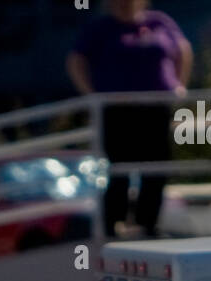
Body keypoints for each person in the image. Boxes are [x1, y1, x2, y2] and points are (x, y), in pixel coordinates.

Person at [67, 0, 192, 238]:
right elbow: (76, 60)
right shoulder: (100, 28)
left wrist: (179, 85)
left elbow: (183, 49)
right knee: (118, 168)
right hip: (118, 111)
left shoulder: (160, 22)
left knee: (156, 167)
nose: (124, 4)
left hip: (155, 109)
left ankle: (148, 223)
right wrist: (91, 94)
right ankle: (113, 224)